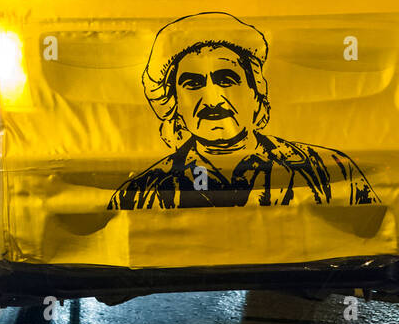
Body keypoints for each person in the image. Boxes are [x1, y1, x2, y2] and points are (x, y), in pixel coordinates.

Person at [109, 12, 379, 209]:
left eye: (226, 80)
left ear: (255, 91)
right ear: (175, 102)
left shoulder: (328, 171)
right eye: (193, 84)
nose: (213, 99)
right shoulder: (141, 192)